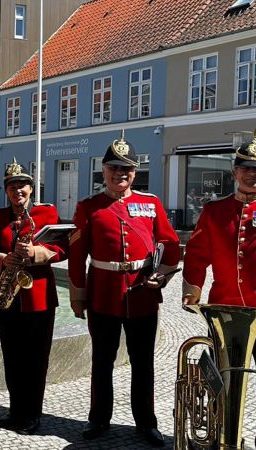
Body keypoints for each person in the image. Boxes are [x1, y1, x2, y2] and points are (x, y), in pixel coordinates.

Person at [68, 131, 180, 447]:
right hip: (103, 293)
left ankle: (146, 423)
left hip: (142, 295)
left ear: (135, 172)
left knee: (143, 362)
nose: (120, 174)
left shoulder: (150, 203)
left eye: (126, 169)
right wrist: (78, 294)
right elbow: (77, 256)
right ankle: (98, 419)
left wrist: (163, 274)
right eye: (113, 168)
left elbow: (171, 245)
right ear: (103, 171)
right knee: (102, 361)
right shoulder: (89, 207)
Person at [182, 129, 256, 450]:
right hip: (226, 315)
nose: (252, 175)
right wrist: (193, 288)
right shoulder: (215, 211)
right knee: (223, 385)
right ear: (235, 171)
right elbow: (198, 254)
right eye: (246, 168)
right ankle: (223, 439)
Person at [0, 158, 67, 435]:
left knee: (36, 359)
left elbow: (62, 249)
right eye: (11, 186)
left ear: (31, 189)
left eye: (22, 185)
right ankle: (15, 410)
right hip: (8, 295)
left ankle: (33, 413)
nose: (17, 190)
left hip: (39, 297)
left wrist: (36, 252)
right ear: (5, 190)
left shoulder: (47, 213)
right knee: (12, 357)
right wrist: (2, 259)